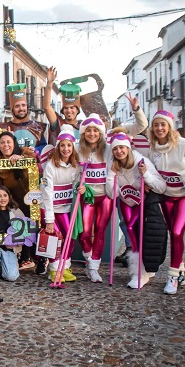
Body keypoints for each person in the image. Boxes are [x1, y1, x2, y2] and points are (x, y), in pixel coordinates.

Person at [146, 110, 185, 294]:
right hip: (165, 196)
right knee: (172, 233)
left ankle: (172, 277)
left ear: (170, 126)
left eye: (163, 124)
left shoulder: (184, 144)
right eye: (156, 125)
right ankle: (180, 271)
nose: (159, 128)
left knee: (178, 232)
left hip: (182, 197)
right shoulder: (152, 147)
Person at [106, 133, 166, 288]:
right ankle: (137, 272)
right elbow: (112, 194)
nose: (119, 151)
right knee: (131, 232)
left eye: (122, 147)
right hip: (126, 203)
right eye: (115, 149)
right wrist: (111, 174)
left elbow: (161, 186)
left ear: (128, 147)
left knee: (143, 235)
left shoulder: (141, 161)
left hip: (143, 204)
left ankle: (143, 271)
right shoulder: (113, 164)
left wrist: (146, 175)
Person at [41, 125, 85, 283]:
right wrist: (49, 219)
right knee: (55, 238)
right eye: (62, 145)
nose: (66, 149)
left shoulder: (76, 163)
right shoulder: (51, 165)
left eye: (69, 145)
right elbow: (47, 193)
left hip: (66, 208)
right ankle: (54, 269)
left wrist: (81, 187)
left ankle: (64, 267)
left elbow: (78, 181)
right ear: (58, 147)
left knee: (70, 236)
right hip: (50, 208)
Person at [0, 128, 37, 271]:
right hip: (13, 204)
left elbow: (35, 159)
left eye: (8, 142)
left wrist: (21, 159)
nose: (6, 145)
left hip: (30, 200)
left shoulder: (24, 152)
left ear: (14, 143)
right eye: (2, 143)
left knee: (32, 225)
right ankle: (20, 257)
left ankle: (33, 259)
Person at [75, 115, 112, 283]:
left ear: (101, 133)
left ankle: (94, 267)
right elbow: (73, 171)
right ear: (83, 133)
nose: (92, 133)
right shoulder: (78, 149)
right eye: (88, 130)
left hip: (105, 196)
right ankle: (90, 259)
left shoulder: (109, 149)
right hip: (88, 196)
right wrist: (77, 185)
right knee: (84, 233)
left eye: (95, 130)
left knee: (100, 231)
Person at [1, 83, 46, 154]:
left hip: (33, 164)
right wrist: (6, 139)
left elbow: (44, 147)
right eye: (17, 106)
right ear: (12, 109)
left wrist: (35, 150)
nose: (21, 108)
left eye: (23, 105)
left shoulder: (37, 127)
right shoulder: (3, 128)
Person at [43, 67, 82, 143]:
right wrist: (50, 83)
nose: (69, 111)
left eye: (72, 108)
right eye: (66, 108)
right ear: (62, 110)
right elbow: (46, 107)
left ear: (77, 110)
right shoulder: (58, 123)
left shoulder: (83, 126)